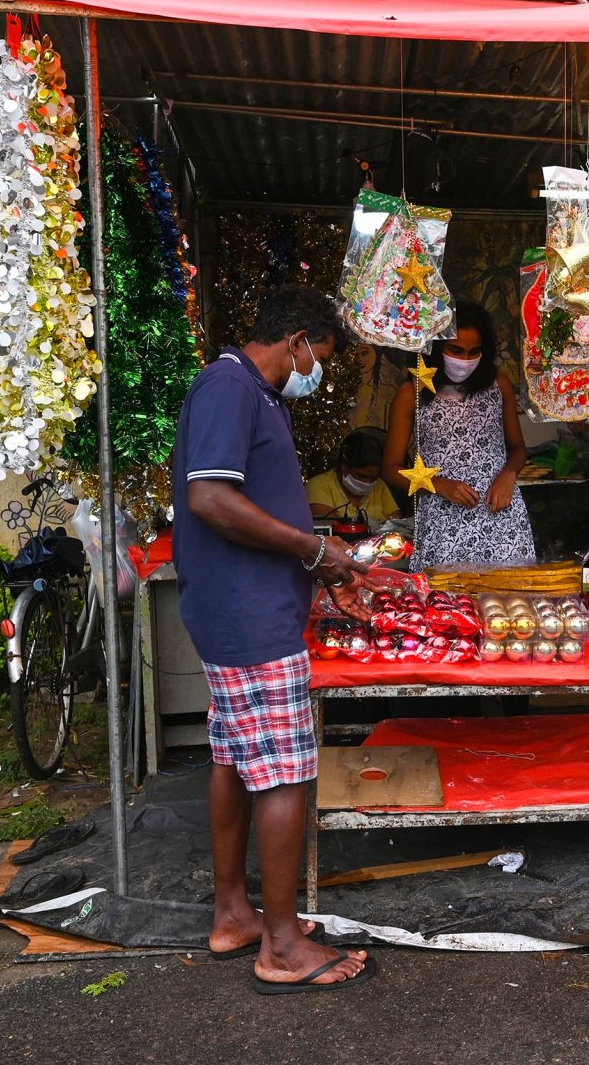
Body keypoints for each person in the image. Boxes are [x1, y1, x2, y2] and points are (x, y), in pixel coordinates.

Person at [172, 284, 377, 995]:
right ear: (294, 339)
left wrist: (318, 568)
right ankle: (283, 946)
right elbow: (211, 498)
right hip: (246, 615)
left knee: (233, 758)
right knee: (287, 771)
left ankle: (235, 914)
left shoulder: (255, 396)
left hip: (247, 606)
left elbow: (254, 505)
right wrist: (315, 551)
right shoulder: (229, 386)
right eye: (314, 357)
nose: (312, 371)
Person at [384, 301, 535, 569]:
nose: (464, 360)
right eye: (455, 350)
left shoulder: (498, 386)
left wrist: (508, 475)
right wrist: (439, 484)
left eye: (473, 352)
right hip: (443, 525)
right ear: (436, 347)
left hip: (501, 519)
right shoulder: (412, 395)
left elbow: (518, 448)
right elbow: (390, 468)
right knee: (444, 604)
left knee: (507, 605)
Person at [305, 428, 400, 530]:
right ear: (344, 466)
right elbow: (331, 527)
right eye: (361, 476)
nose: (367, 482)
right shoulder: (319, 486)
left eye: (373, 478)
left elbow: (398, 524)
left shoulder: (379, 486)